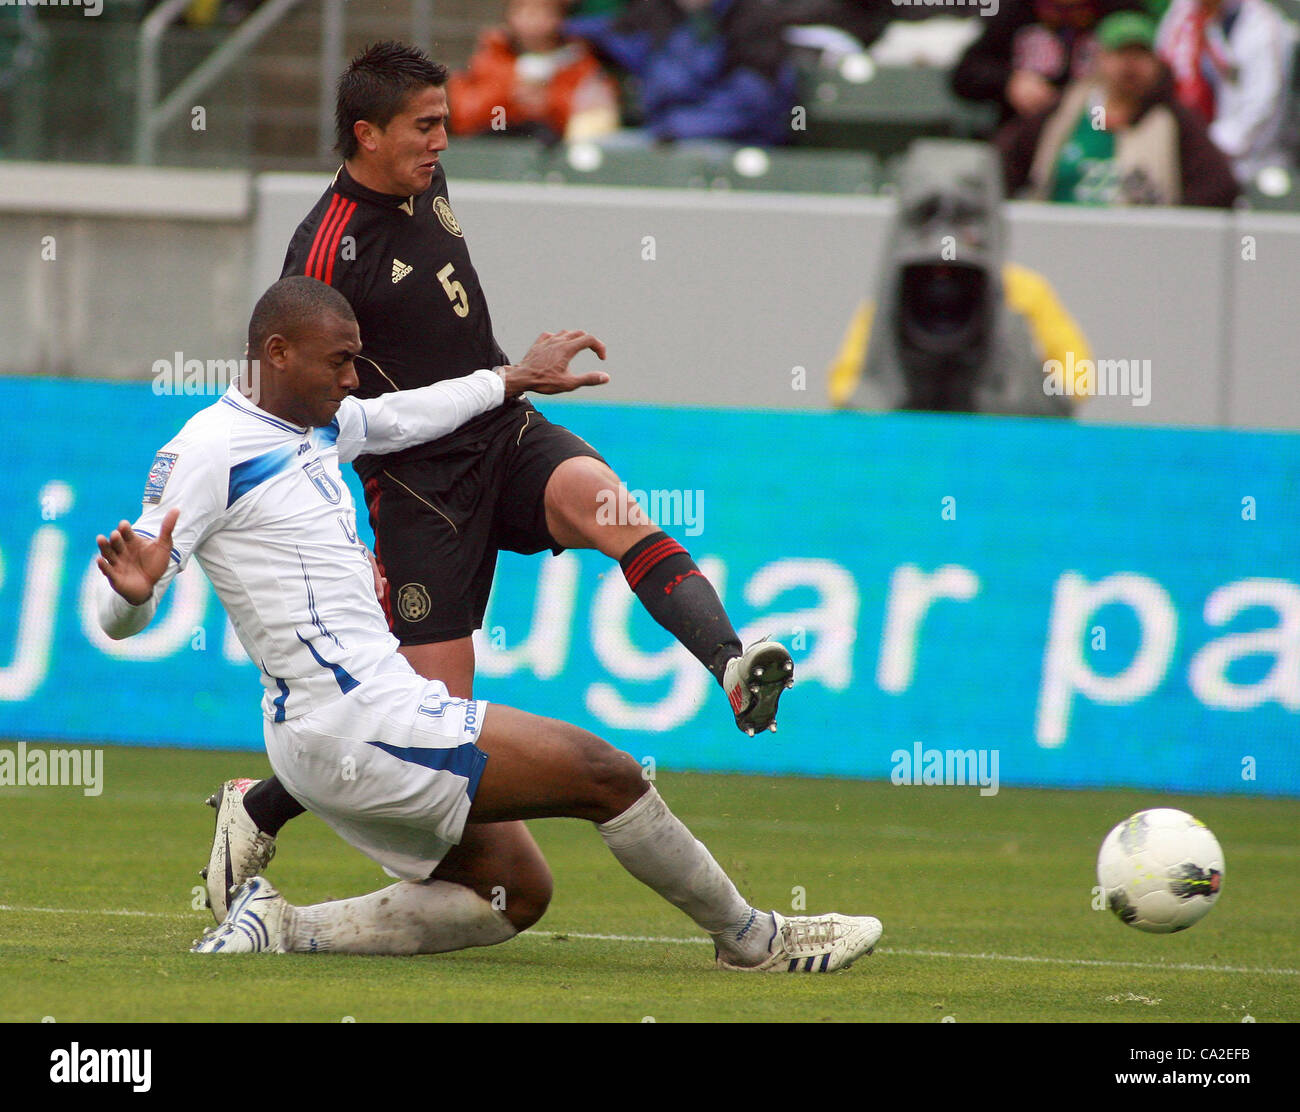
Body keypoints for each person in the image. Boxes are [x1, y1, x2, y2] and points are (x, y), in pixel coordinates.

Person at [95, 276, 882, 971]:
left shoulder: (320, 425)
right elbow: (125, 603)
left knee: (514, 894)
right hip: (354, 725)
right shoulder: (209, 448)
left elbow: (408, 415)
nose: (352, 375)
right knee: (606, 774)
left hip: (334, 734)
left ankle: (282, 927)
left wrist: (512, 379)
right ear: (276, 352)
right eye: (337, 360)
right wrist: (131, 596)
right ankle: (753, 940)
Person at [200, 40, 795, 923]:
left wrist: (506, 384)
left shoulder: (425, 182)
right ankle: (263, 805)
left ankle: (731, 662)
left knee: (613, 510)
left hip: (506, 432)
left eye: (446, 122)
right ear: (365, 134)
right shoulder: (324, 252)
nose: (445, 140)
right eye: (425, 126)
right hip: (417, 489)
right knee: (437, 727)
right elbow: (317, 415)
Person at [829, 140, 1091, 414]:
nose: (947, 238)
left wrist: (1022, 375)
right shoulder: (896, 293)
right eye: (928, 217)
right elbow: (844, 386)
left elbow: (1079, 377)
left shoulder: (1025, 291)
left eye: (966, 218)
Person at [997, 10, 1240, 206]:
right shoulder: (1065, 111)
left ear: (1157, 63)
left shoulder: (1174, 119)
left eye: (1141, 55)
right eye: (1121, 53)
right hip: (1055, 239)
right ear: (1100, 58)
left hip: (1138, 247)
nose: (1130, 65)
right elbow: (1002, 165)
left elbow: (1219, 187)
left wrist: (1170, 226)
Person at [565, 0, 799, 146]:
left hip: (735, 143)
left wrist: (678, 128)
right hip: (665, 138)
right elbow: (617, 33)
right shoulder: (664, 14)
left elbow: (752, 102)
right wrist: (557, 30)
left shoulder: (751, 19)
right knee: (598, 150)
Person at [1156, 0, 1298, 184]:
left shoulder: (1265, 28)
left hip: (1254, 170)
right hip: (1193, 160)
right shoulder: (1183, 14)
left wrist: (1200, 146)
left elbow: (1260, 113)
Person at [952, 0, 1146, 128]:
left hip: (1101, 126)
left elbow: (1155, 73)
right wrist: (1010, 81)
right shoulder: (1018, 9)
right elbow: (964, 74)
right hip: (1031, 132)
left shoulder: (1121, 10)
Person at [447, 0, 620, 143]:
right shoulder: (490, 57)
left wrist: (548, 103)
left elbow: (593, 123)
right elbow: (464, 118)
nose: (533, 21)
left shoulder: (580, 63)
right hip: (494, 150)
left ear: (559, 17)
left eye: (544, 11)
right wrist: (509, 95)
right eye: (524, 10)